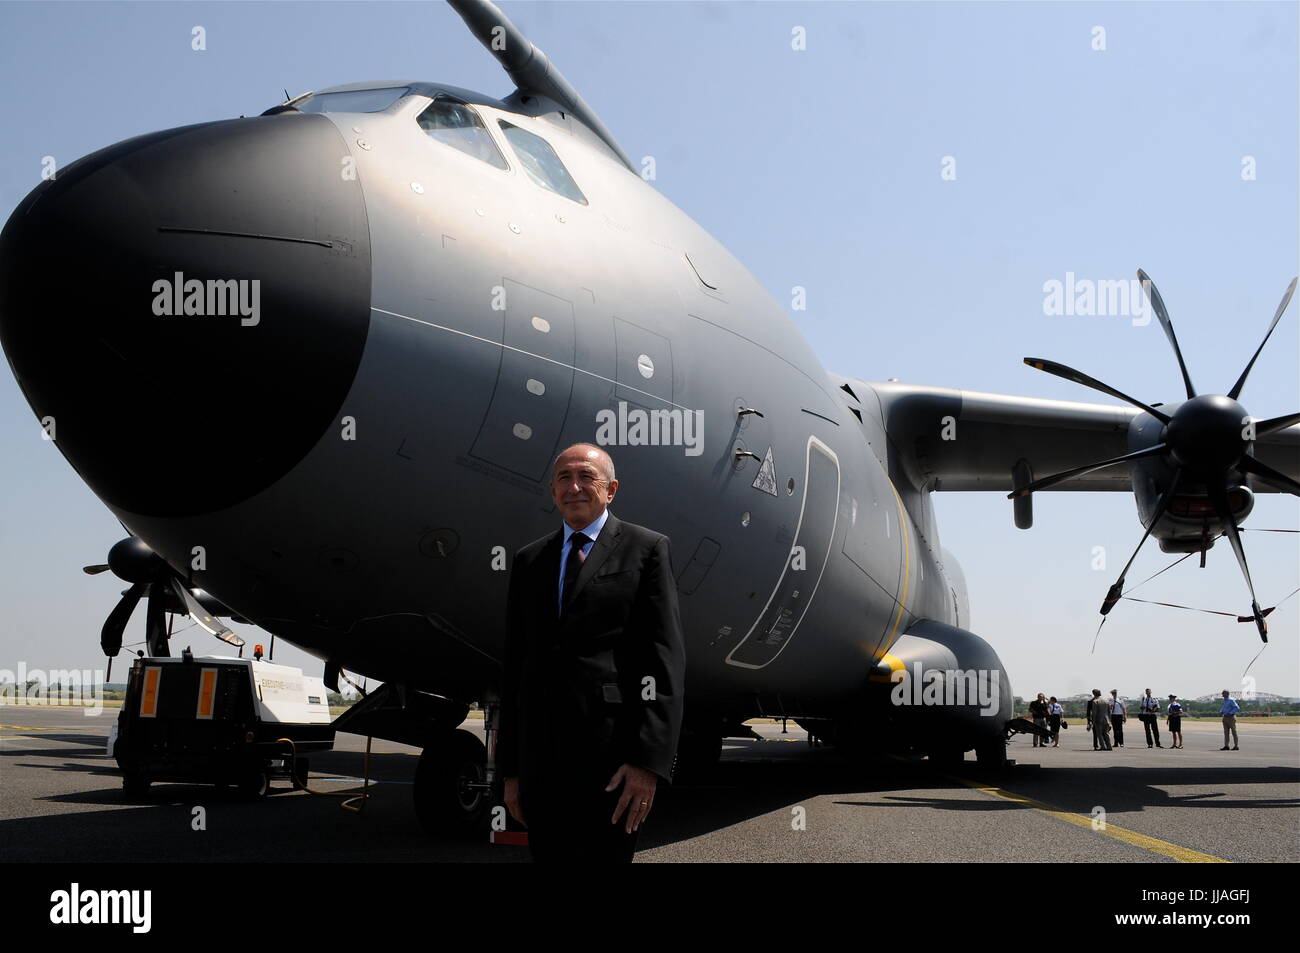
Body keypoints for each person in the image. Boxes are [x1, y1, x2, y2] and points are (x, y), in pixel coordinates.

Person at [498, 443, 686, 862]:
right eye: (564, 478)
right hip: (541, 766)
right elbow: (515, 671)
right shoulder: (530, 560)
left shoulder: (646, 549)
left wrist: (647, 765)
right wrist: (510, 773)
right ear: (552, 490)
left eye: (587, 477)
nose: (575, 487)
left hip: (613, 764)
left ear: (611, 489)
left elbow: (663, 662)